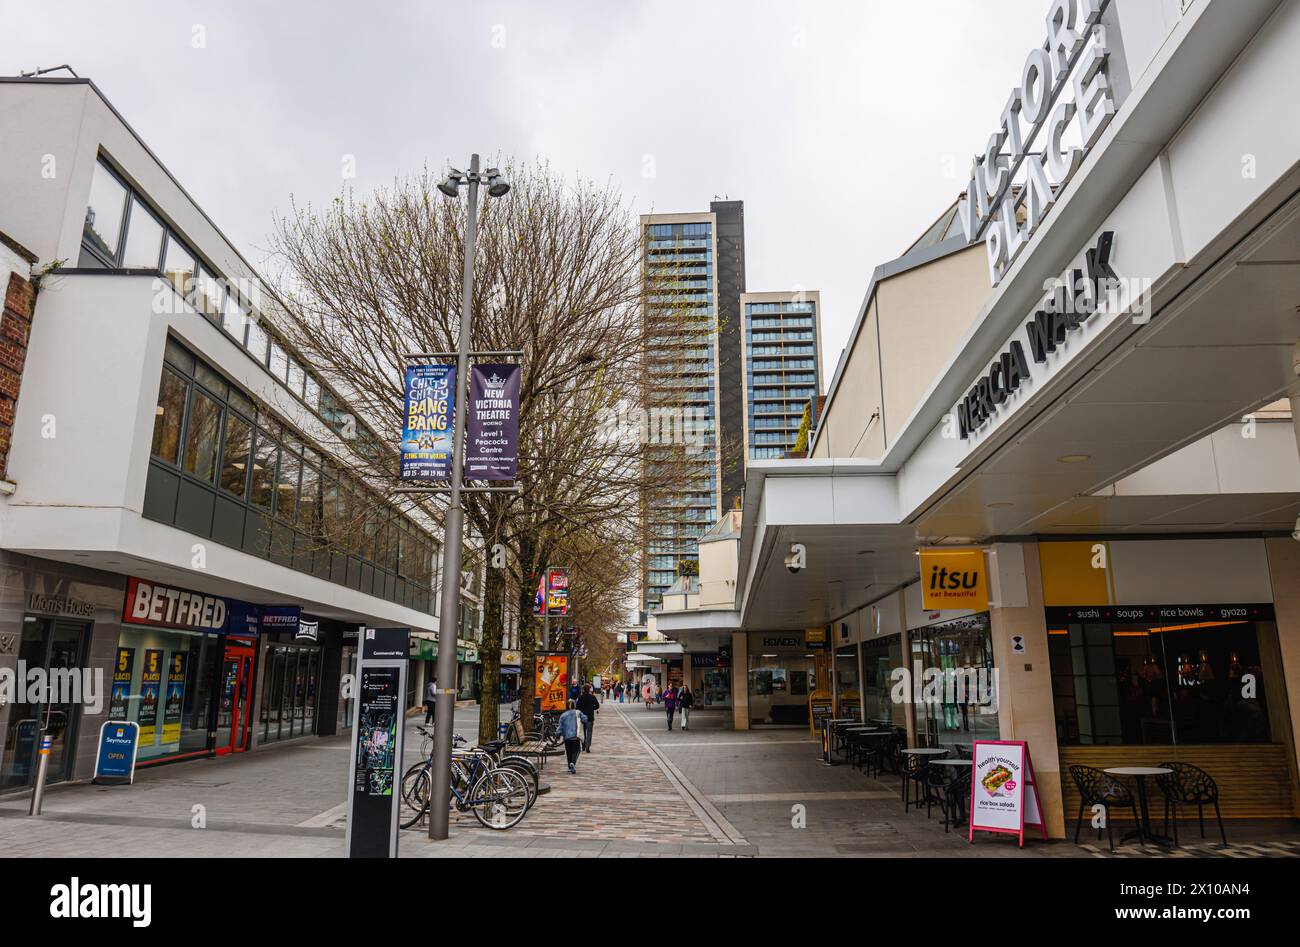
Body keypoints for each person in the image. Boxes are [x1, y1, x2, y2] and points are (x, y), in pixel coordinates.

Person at [557, 699, 589, 774]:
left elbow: (560, 727)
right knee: (577, 750)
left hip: (567, 737)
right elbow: (585, 719)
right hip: (575, 736)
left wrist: (557, 734)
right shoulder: (578, 713)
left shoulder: (563, 715)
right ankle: (573, 763)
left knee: (568, 751)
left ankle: (569, 766)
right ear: (574, 705)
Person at [577, 684, 600, 753]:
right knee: (589, 732)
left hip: (583, 717)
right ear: (589, 689)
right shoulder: (592, 697)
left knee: (583, 731)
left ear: (583, 690)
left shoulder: (581, 697)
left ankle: (584, 743)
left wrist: (581, 711)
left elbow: (577, 707)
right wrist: (592, 708)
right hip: (590, 717)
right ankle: (587, 746)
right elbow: (597, 705)